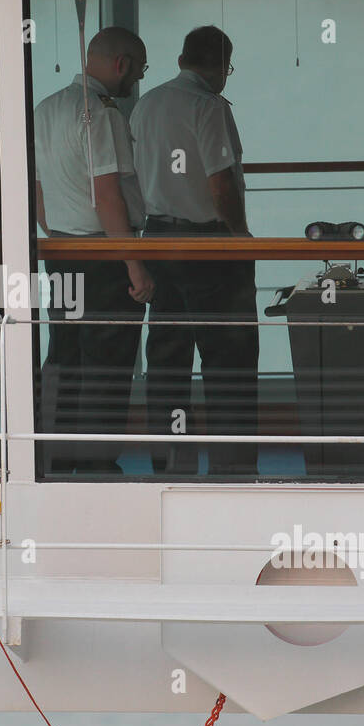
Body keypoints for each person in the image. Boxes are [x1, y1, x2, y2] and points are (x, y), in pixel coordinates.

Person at [131, 25, 259, 478]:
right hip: (211, 246)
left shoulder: (146, 105)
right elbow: (221, 183)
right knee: (229, 360)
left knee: (167, 361)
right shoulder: (208, 107)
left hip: (159, 240)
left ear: (183, 58)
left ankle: (169, 467)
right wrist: (240, 235)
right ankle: (234, 467)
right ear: (221, 66)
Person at [34, 26, 154, 476]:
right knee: (108, 357)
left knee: (65, 350)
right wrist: (134, 265)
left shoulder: (45, 109)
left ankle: (53, 449)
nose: (136, 79)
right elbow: (108, 196)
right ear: (121, 64)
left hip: (61, 250)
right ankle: (96, 460)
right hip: (104, 259)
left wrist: (58, 231)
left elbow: (38, 191)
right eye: (139, 70)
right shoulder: (101, 115)